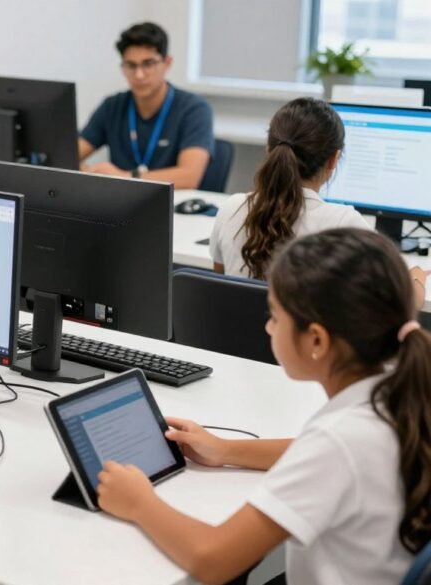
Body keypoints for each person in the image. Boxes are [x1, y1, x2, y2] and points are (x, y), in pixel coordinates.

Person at [95, 228, 431, 585]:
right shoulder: (398, 387)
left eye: (275, 317)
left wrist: (140, 503)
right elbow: (325, 455)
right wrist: (225, 450)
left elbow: (213, 561)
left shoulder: (339, 440)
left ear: (317, 340)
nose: (269, 328)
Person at [210, 97, 369, 279]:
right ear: (334, 159)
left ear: (269, 150)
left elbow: (220, 281)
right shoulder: (346, 224)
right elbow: (387, 288)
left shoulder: (232, 208)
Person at [78, 22, 213, 189]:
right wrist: (88, 172)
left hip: (171, 201)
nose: (139, 75)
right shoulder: (112, 106)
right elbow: (67, 155)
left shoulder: (194, 109)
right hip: (123, 199)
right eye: (131, 65)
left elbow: (189, 177)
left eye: (148, 64)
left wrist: (126, 177)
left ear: (167, 63)